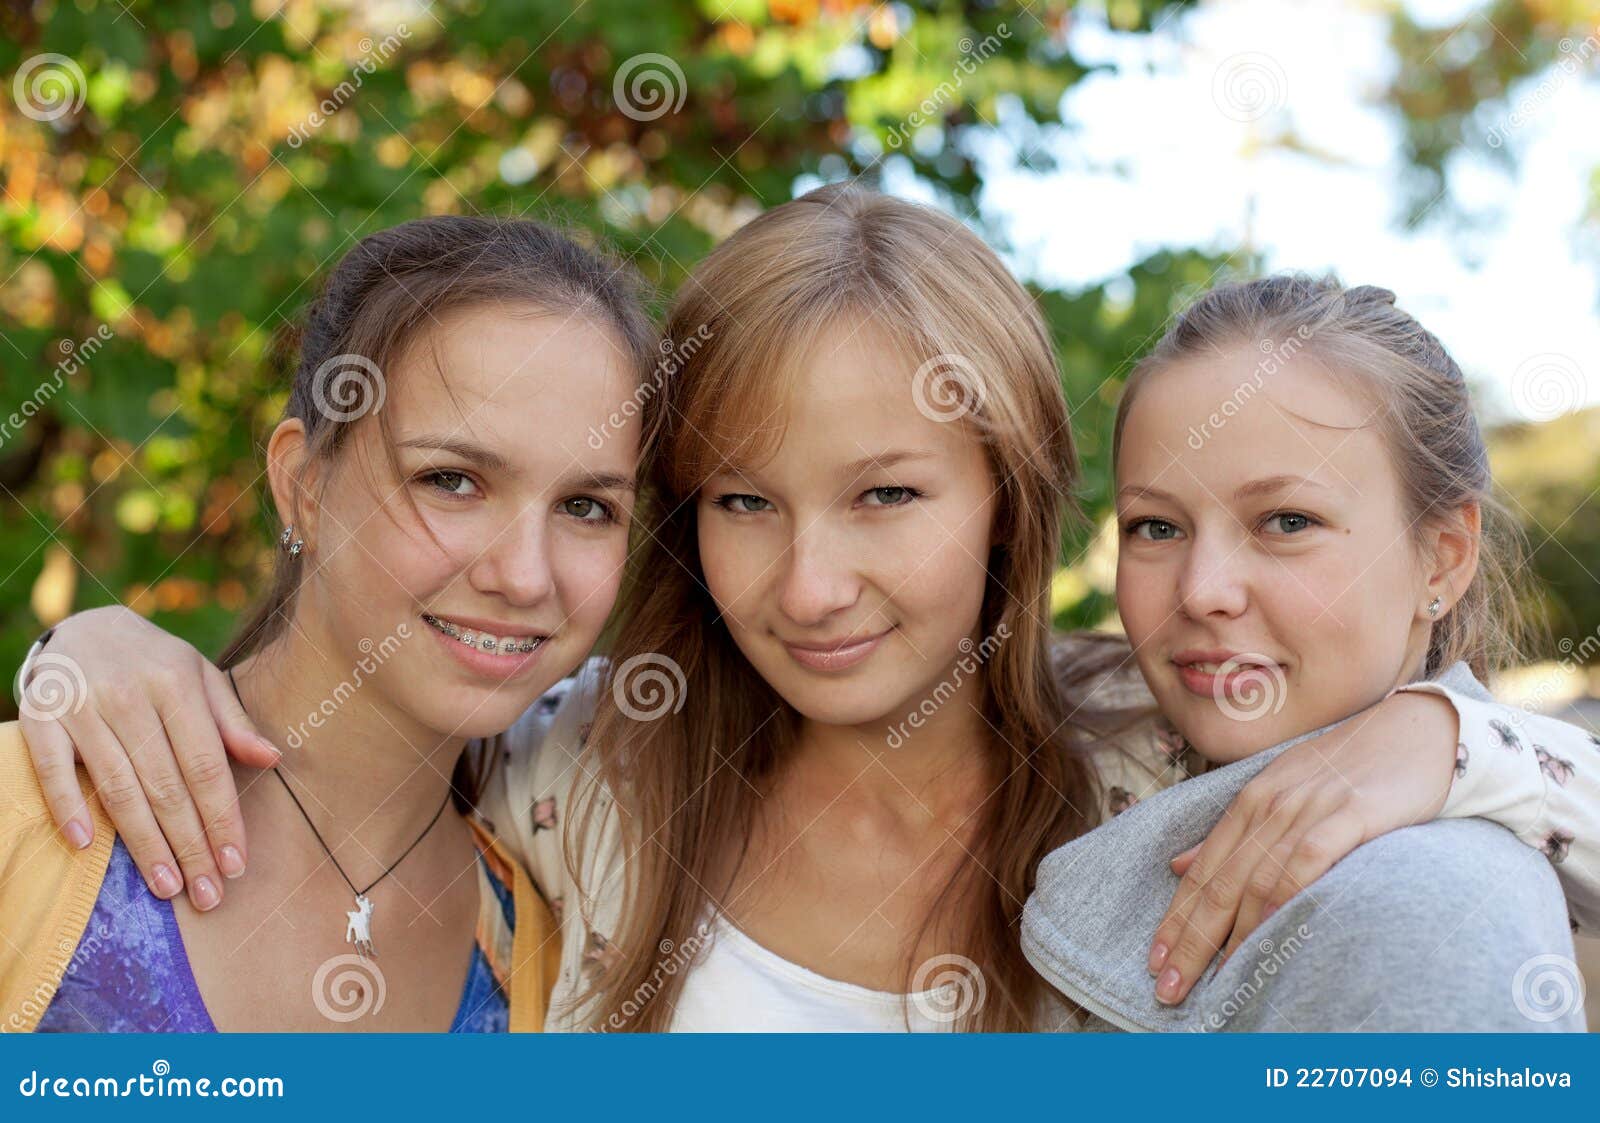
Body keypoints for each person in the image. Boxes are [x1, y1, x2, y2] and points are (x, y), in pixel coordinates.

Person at [17, 190, 1600, 1032]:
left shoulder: (1169, 774)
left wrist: (1442, 725)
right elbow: (349, 724)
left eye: (890, 495)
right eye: (744, 500)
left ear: (1012, 501)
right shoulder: (573, 785)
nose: (809, 583)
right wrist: (95, 648)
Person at [0, 214, 654, 1031]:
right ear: (304, 483)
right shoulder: (31, 819)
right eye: (450, 480)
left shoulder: (552, 956)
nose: (524, 575)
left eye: (587, 506)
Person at [1022, 276, 1593, 1030]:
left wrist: (1459, 743)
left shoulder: (1431, 912)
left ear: (1443, 559)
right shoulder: (1092, 730)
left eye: (1287, 520)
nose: (1203, 591)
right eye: (1156, 527)